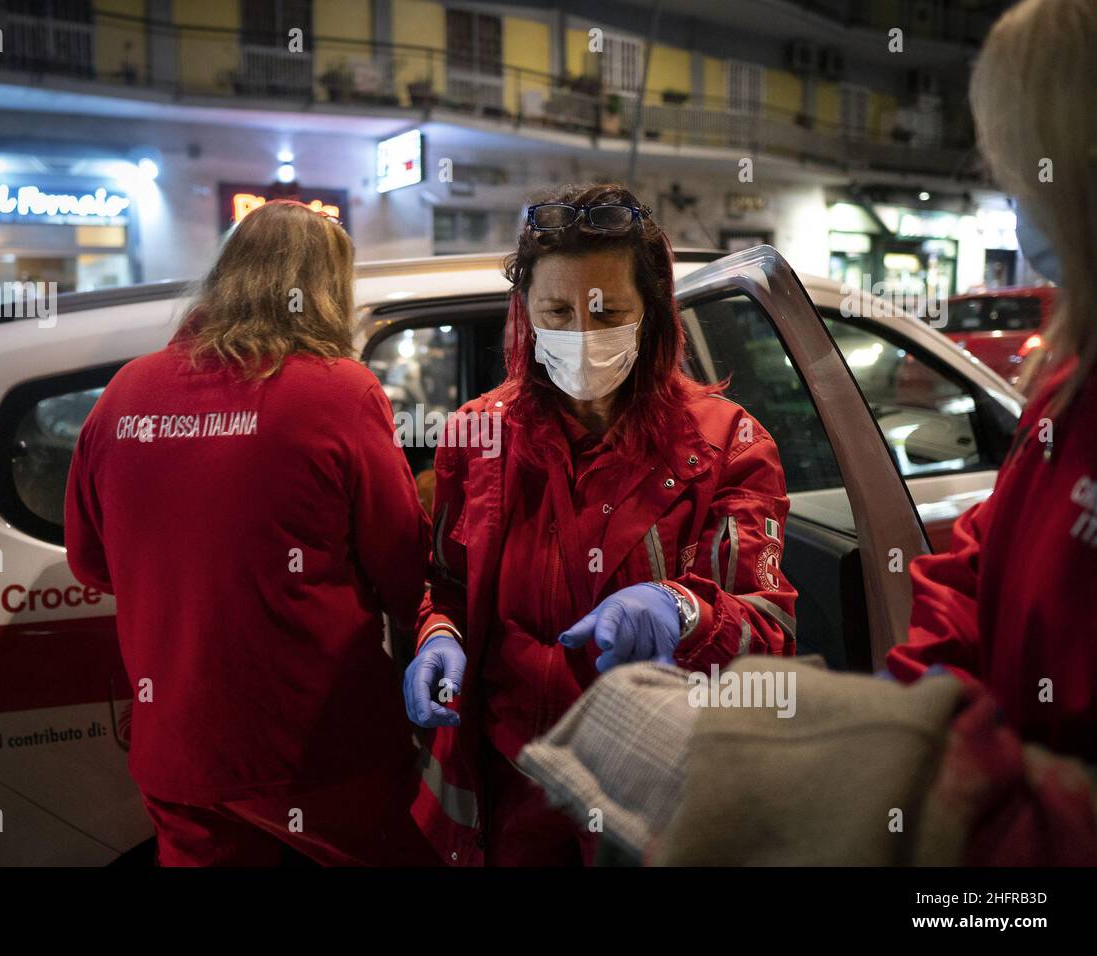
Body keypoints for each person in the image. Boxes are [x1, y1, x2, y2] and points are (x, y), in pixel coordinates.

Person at [402, 183, 799, 866]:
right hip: (508, 795)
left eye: (607, 311)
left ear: (651, 313)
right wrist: (438, 637)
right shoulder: (476, 435)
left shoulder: (729, 445)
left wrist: (683, 611)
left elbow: (771, 631)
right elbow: (445, 589)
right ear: (524, 312)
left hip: (652, 803)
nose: (582, 337)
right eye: (557, 310)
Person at [64, 200, 439, 866]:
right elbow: (404, 567)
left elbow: (91, 562)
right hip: (320, 749)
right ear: (325, 291)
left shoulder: (125, 393)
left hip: (177, 755)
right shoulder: (338, 392)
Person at [887, 0, 1097, 764]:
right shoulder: (1072, 372)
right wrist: (926, 697)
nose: (1010, 191)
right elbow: (987, 551)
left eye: (1017, 161)